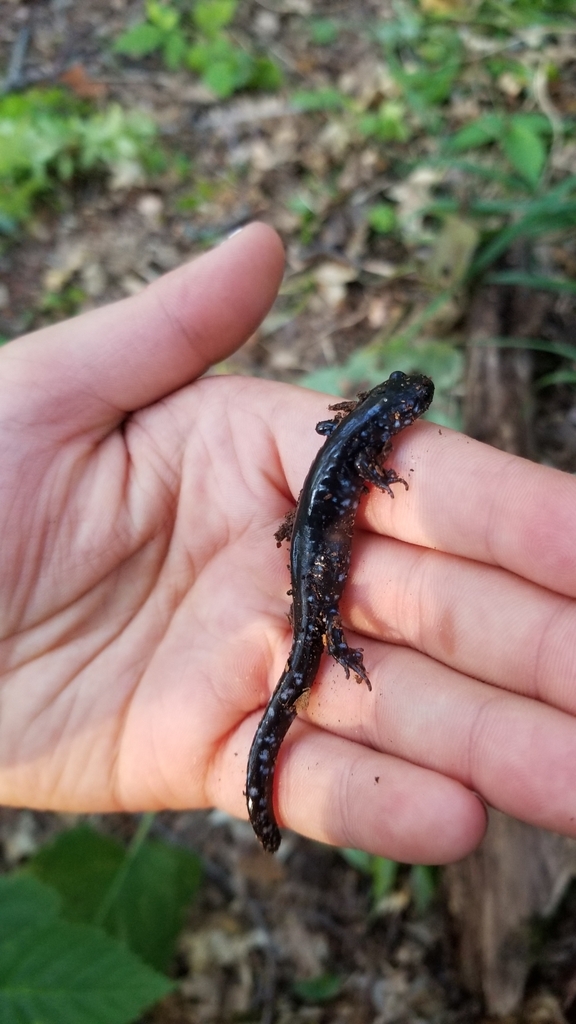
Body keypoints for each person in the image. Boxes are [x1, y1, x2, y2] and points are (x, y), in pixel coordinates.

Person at [1, 221, 575, 863]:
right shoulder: (364, 438)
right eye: (409, 404)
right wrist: (380, 477)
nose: (416, 408)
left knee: (314, 635)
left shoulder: (355, 426)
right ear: (391, 414)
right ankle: (281, 760)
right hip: (313, 566)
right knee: (318, 638)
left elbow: (346, 451)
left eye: (413, 403)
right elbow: (359, 465)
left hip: (310, 547)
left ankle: (286, 741)